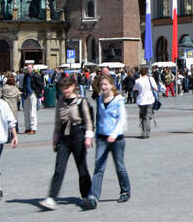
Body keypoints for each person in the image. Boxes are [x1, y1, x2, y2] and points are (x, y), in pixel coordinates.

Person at [40, 76, 94, 209]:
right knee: (59, 168)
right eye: (63, 87)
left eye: (68, 87)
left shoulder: (81, 101)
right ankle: (52, 197)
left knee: (82, 168)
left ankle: (86, 195)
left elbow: (88, 120)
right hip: (64, 137)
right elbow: (58, 121)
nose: (65, 90)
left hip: (78, 136)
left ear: (73, 86)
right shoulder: (60, 101)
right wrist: (55, 138)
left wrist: (88, 137)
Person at [86, 73, 130, 207]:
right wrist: (94, 134)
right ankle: (93, 196)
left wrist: (114, 133)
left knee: (120, 166)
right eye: (101, 85)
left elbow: (121, 119)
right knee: (99, 167)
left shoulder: (118, 100)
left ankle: (125, 191)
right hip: (102, 138)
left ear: (111, 85)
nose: (103, 87)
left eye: (105, 84)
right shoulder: (99, 99)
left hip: (117, 139)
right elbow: (99, 118)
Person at [134, 65, 159, 138]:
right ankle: (146, 133)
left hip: (141, 101)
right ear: (147, 72)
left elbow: (135, 89)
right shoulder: (151, 79)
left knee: (143, 116)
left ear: (140, 73)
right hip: (149, 100)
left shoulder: (138, 80)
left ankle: (144, 131)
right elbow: (156, 89)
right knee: (147, 117)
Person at [20, 63, 43, 133]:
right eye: (27, 68)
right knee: (26, 111)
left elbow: (41, 84)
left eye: (29, 68)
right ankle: (27, 128)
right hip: (26, 94)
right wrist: (23, 92)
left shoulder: (35, 75)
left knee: (33, 111)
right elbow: (24, 85)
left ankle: (33, 128)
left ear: (32, 68)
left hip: (33, 93)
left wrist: (37, 92)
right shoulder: (26, 76)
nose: (28, 69)